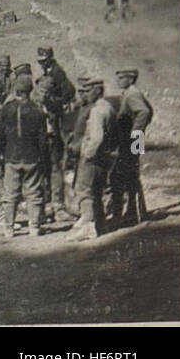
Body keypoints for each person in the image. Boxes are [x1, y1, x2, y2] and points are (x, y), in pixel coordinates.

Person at [69, 76, 120, 241]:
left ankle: (88, 227)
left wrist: (87, 155)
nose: (86, 94)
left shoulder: (97, 110)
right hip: (105, 156)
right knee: (96, 190)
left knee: (84, 190)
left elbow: (97, 138)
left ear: (98, 90)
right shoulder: (108, 107)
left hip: (94, 157)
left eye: (89, 90)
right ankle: (100, 222)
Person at [0, 74, 48, 237]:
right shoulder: (37, 111)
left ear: (16, 89)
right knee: (33, 193)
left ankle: (9, 228)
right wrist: (41, 156)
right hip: (31, 157)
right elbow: (42, 139)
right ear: (30, 90)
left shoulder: (7, 109)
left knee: (10, 194)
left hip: (11, 156)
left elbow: (0, 135)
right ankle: (34, 227)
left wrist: (2, 153)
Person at [33, 46, 76, 222]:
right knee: (46, 169)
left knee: (55, 168)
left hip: (53, 136)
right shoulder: (36, 105)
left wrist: (138, 145)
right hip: (45, 138)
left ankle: (56, 205)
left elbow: (68, 93)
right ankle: (47, 205)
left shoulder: (57, 73)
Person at [110, 68, 152, 224]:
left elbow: (144, 112)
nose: (118, 80)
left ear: (130, 78)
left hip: (132, 139)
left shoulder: (132, 94)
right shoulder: (130, 92)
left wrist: (135, 132)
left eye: (121, 78)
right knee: (131, 173)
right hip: (135, 138)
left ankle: (134, 213)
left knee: (129, 173)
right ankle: (135, 211)